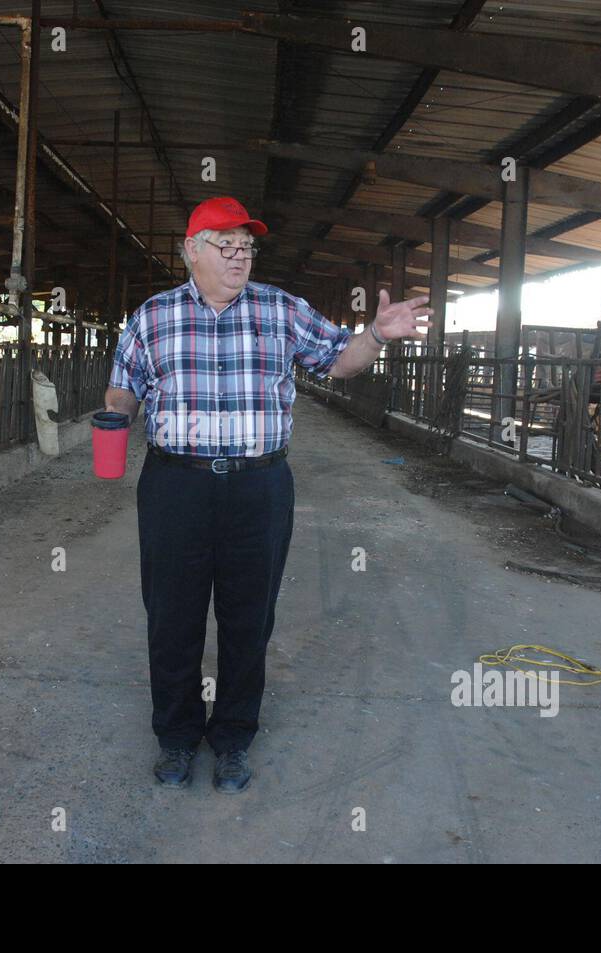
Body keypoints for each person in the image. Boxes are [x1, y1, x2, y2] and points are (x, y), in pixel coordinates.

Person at [105, 195, 432, 793]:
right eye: (224, 245)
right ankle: (177, 738)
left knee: (248, 618)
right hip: (175, 483)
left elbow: (340, 361)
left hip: (259, 485)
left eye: (247, 247)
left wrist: (377, 337)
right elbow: (124, 388)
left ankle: (232, 738)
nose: (238, 257)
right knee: (172, 617)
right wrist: (113, 420)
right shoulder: (151, 318)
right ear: (191, 252)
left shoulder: (283, 310)